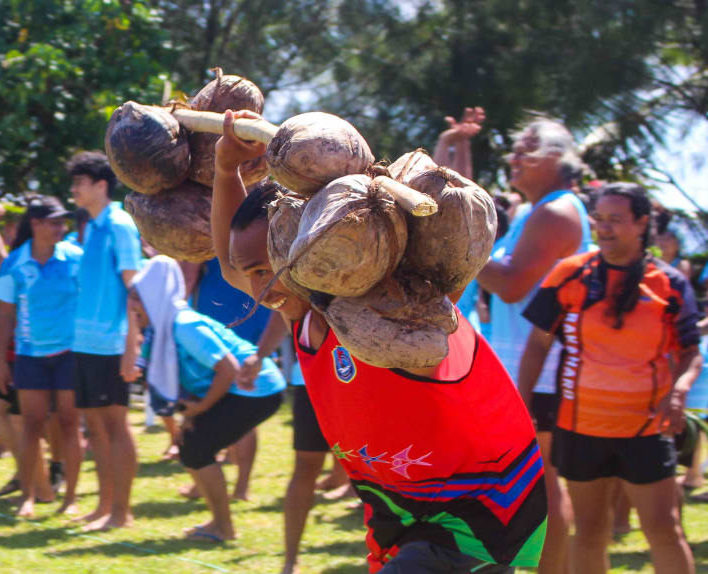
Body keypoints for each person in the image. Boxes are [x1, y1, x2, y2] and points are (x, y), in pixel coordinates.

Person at [212, 110, 546, 572]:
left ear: (307, 247)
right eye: (252, 275)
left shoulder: (398, 314)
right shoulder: (304, 316)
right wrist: (225, 170)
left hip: (477, 515)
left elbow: (451, 243)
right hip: (397, 517)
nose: (260, 289)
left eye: (266, 270)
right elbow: (233, 264)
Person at [519, 183, 700, 574]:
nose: (604, 227)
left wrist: (681, 390)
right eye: (598, 218)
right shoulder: (570, 274)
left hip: (648, 428)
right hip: (581, 427)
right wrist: (522, 401)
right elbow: (538, 344)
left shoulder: (668, 283)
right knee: (590, 531)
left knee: (665, 529)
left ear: (641, 223)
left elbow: (689, 353)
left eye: (615, 219)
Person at [477, 117, 595, 574]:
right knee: (529, 484)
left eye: (527, 149)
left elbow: (509, 285)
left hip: (543, 371)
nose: (514, 158)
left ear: (557, 158)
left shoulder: (556, 211)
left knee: (542, 486)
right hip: (522, 365)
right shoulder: (534, 209)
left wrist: (454, 246)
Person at [129, 255, 285, 543]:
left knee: (197, 449)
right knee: (191, 447)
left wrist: (199, 409)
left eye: (136, 300)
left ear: (152, 297)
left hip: (257, 388)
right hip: (241, 388)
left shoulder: (183, 324)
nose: (132, 308)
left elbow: (228, 369)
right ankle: (218, 522)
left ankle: (223, 528)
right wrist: (192, 415)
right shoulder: (163, 326)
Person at [0, 196, 83, 517]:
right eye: (54, 222)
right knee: (31, 426)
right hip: (30, 356)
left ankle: (71, 499)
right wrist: (0, 362)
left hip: (70, 354)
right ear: (36, 224)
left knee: (70, 425)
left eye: (63, 222)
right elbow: (4, 315)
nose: (62, 227)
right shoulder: (13, 263)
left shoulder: (76, 257)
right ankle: (27, 498)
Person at [68, 151, 142, 531]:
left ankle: (121, 513)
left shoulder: (119, 224)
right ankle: (103, 506)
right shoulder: (92, 225)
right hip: (85, 343)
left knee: (116, 426)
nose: (73, 190)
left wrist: (132, 346)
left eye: (79, 182)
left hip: (112, 345)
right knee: (95, 429)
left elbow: (134, 290)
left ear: (100, 185)